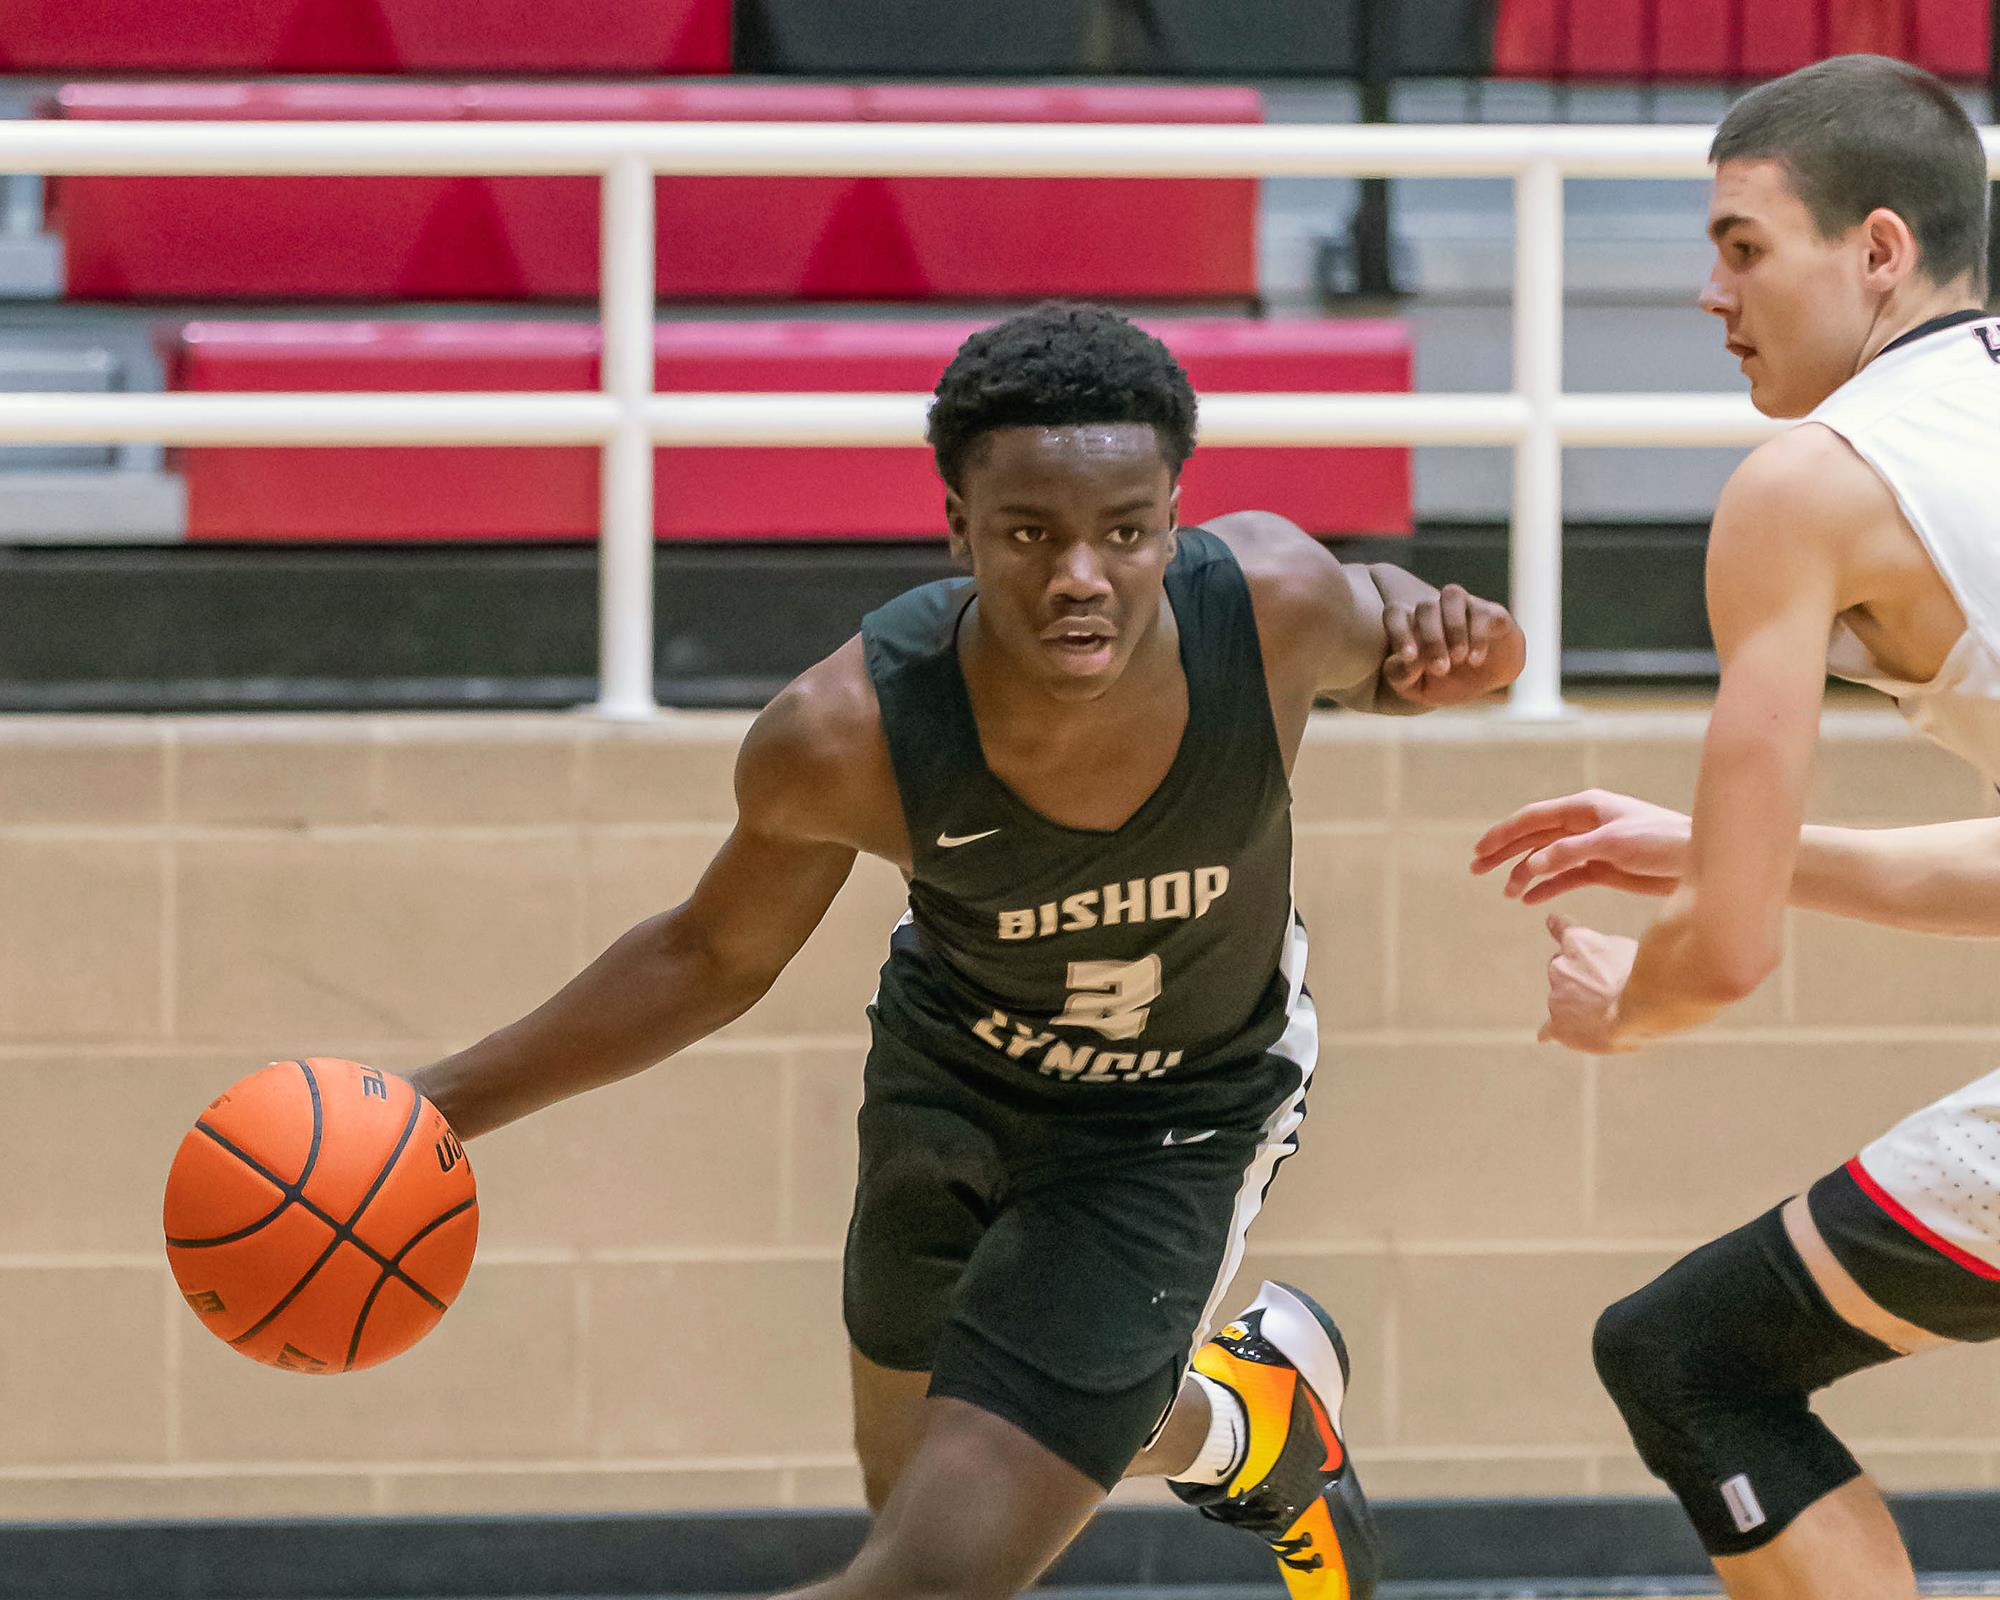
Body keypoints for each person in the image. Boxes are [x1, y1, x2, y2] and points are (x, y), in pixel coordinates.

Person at [413, 300, 1525, 1600]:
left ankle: (1226, 1419)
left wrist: (1471, 641)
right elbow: (708, 954)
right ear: (959, 529)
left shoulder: (1271, 604)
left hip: (1173, 1122)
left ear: (1175, 518)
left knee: (930, 1579)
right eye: (1029, 534)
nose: (1079, 576)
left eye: (1124, 532)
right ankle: (1248, 1426)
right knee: (917, 1515)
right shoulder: (846, 733)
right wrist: (431, 1110)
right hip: (951, 1088)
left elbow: (1391, 635)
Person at [1468, 54, 1999, 1600]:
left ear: (1880, 250)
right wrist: (1719, 856)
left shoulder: (1813, 484)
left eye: (1744, 247)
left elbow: (1729, 959)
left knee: (1691, 1359)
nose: (1711, 292)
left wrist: (1631, 1005)